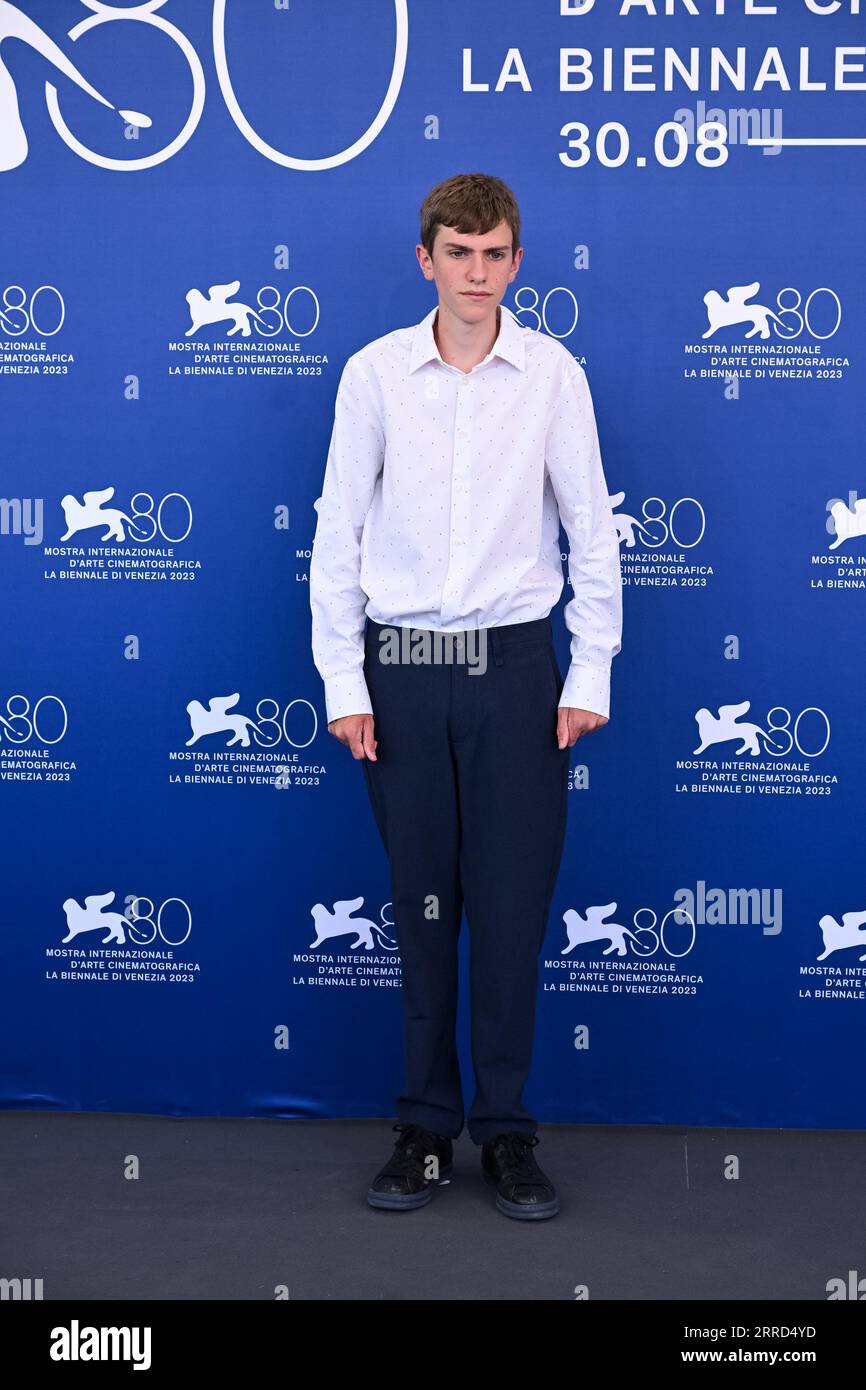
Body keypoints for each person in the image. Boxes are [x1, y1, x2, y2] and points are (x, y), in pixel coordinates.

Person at [310, 172, 622, 1221]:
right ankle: (422, 1126)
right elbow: (336, 537)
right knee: (421, 910)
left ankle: (505, 1129)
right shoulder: (372, 375)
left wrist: (588, 671)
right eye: (458, 253)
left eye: (494, 255)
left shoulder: (551, 375)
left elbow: (592, 529)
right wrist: (345, 679)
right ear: (425, 260)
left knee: (509, 910)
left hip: (516, 674)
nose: (476, 273)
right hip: (400, 675)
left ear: (515, 262)